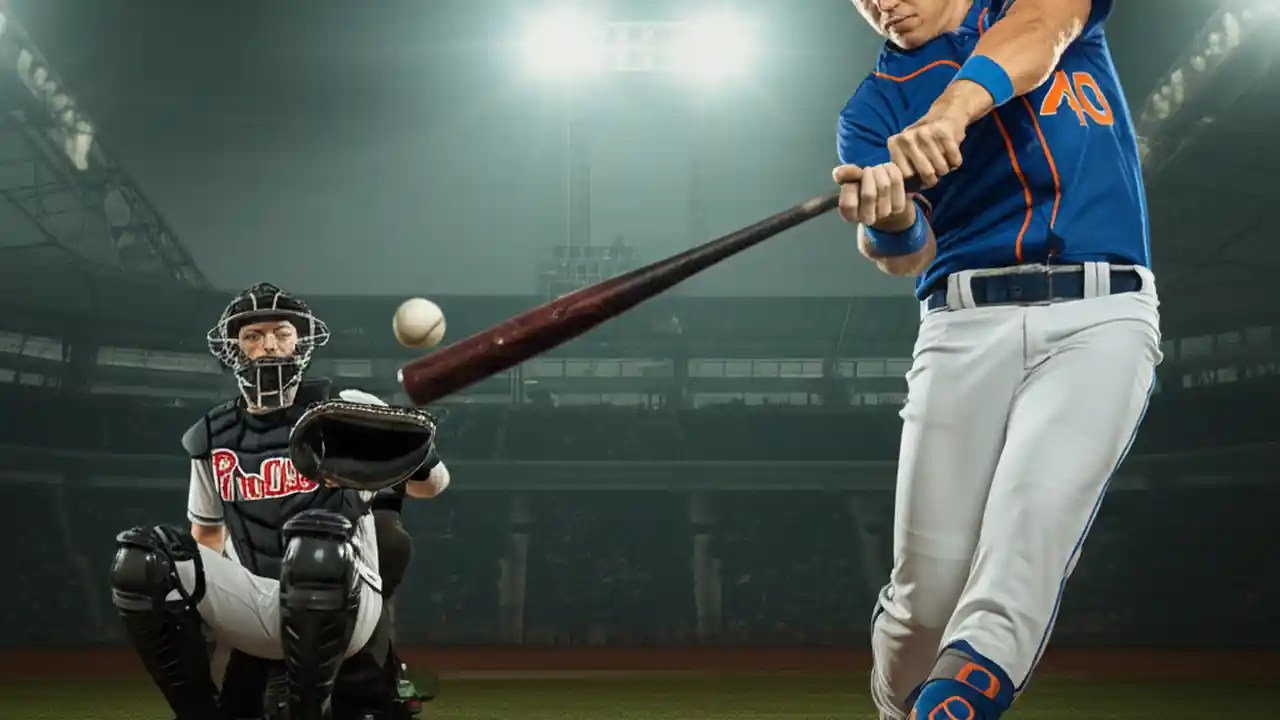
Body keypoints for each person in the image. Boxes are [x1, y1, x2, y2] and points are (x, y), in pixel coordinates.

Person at [832, 2, 1161, 718]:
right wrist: (889, 215)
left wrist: (952, 111)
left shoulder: (1023, 7)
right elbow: (904, 251)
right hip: (960, 326)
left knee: (1026, 532)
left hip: (1098, 315)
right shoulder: (872, 107)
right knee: (925, 605)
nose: (880, 2)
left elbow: (1041, 34)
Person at [108, 282, 449, 720]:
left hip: (343, 600)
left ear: (301, 341)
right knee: (141, 560)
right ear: (234, 349)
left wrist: (402, 456)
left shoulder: (344, 408)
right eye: (252, 336)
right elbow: (206, 534)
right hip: (259, 599)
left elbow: (434, 484)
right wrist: (214, 622)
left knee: (314, 548)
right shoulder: (211, 434)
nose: (268, 345)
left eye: (282, 333)